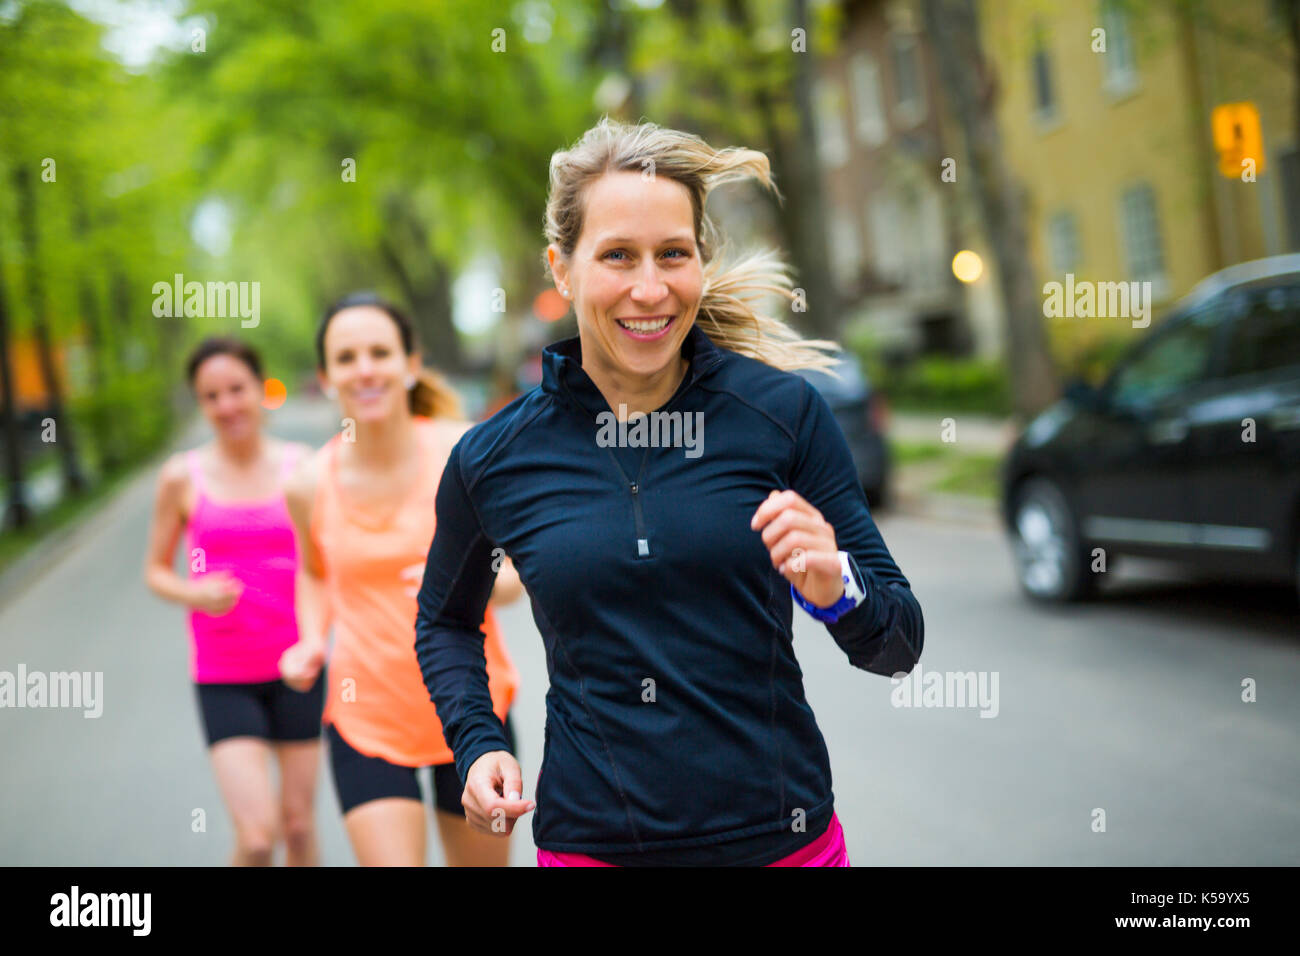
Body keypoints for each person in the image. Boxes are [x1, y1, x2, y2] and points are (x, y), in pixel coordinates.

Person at [414, 118, 925, 866]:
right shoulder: (494, 457)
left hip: (782, 844)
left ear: (701, 261)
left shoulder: (780, 417)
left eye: (673, 255)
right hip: (593, 845)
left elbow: (899, 646)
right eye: (617, 255)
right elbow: (446, 622)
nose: (649, 289)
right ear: (561, 269)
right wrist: (477, 742)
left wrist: (836, 586)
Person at [278, 293, 523, 866]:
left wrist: (460, 582)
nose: (364, 369)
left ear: (411, 364)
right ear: (326, 376)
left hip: (470, 713)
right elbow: (314, 574)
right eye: (347, 357)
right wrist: (311, 639)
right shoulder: (308, 483)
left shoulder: (464, 453)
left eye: (380, 352)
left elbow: (514, 575)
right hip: (366, 715)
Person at [144, 337, 322, 866]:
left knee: (298, 825)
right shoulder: (182, 476)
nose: (226, 406)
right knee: (258, 837)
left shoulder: (302, 467)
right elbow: (154, 571)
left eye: (236, 390)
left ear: (260, 390)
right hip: (224, 674)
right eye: (211, 396)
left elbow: (327, 563)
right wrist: (192, 592)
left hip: (300, 667)